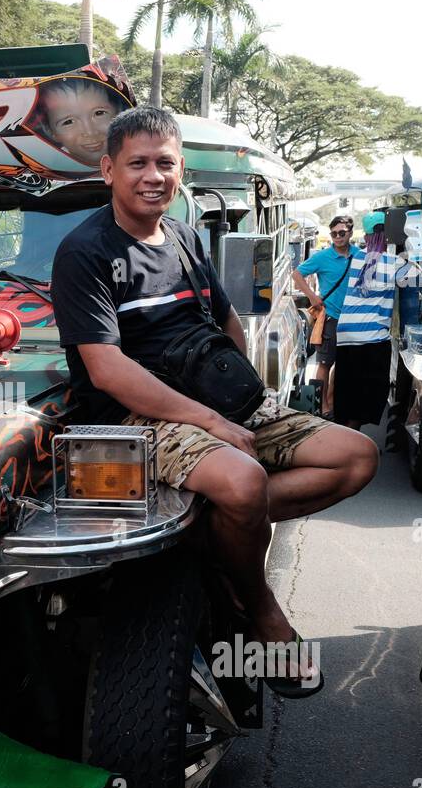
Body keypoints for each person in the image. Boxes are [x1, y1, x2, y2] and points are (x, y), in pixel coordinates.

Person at [49, 106, 379, 698]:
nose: (153, 176)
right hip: (137, 416)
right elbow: (107, 367)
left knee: (356, 457)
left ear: (180, 171)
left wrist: (237, 398)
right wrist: (209, 422)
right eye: (138, 164)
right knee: (243, 482)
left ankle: (210, 535)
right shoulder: (86, 252)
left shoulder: (182, 236)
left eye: (165, 164)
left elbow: (224, 319)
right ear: (108, 170)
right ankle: (258, 608)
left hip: (220, 402)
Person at [331, 212, 397, 430]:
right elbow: (420, 277)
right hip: (373, 338)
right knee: (369, 394)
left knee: (349, 394)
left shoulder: (356, 257)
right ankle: (354, 447)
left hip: (347, 334)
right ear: (389, 235)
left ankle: (347, 442)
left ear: (367, 237)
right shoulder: (394, 264)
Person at [294, 214, 362, 417]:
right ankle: (321, 407)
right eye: (334, 234)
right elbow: (297, 274)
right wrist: (312, 296)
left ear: (350, 232)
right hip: (331, 318)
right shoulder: (323, 257)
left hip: (352, 320)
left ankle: (331, 402)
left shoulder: (359, 255)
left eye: (342, 233)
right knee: (324, 363)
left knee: (343, 365)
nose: (338, 237)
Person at [34, 77, 127, 167]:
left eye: (99, 113)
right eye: (68, 122)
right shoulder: (52, 167)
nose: (90, 132)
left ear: (119, 113)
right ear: (51, 132)